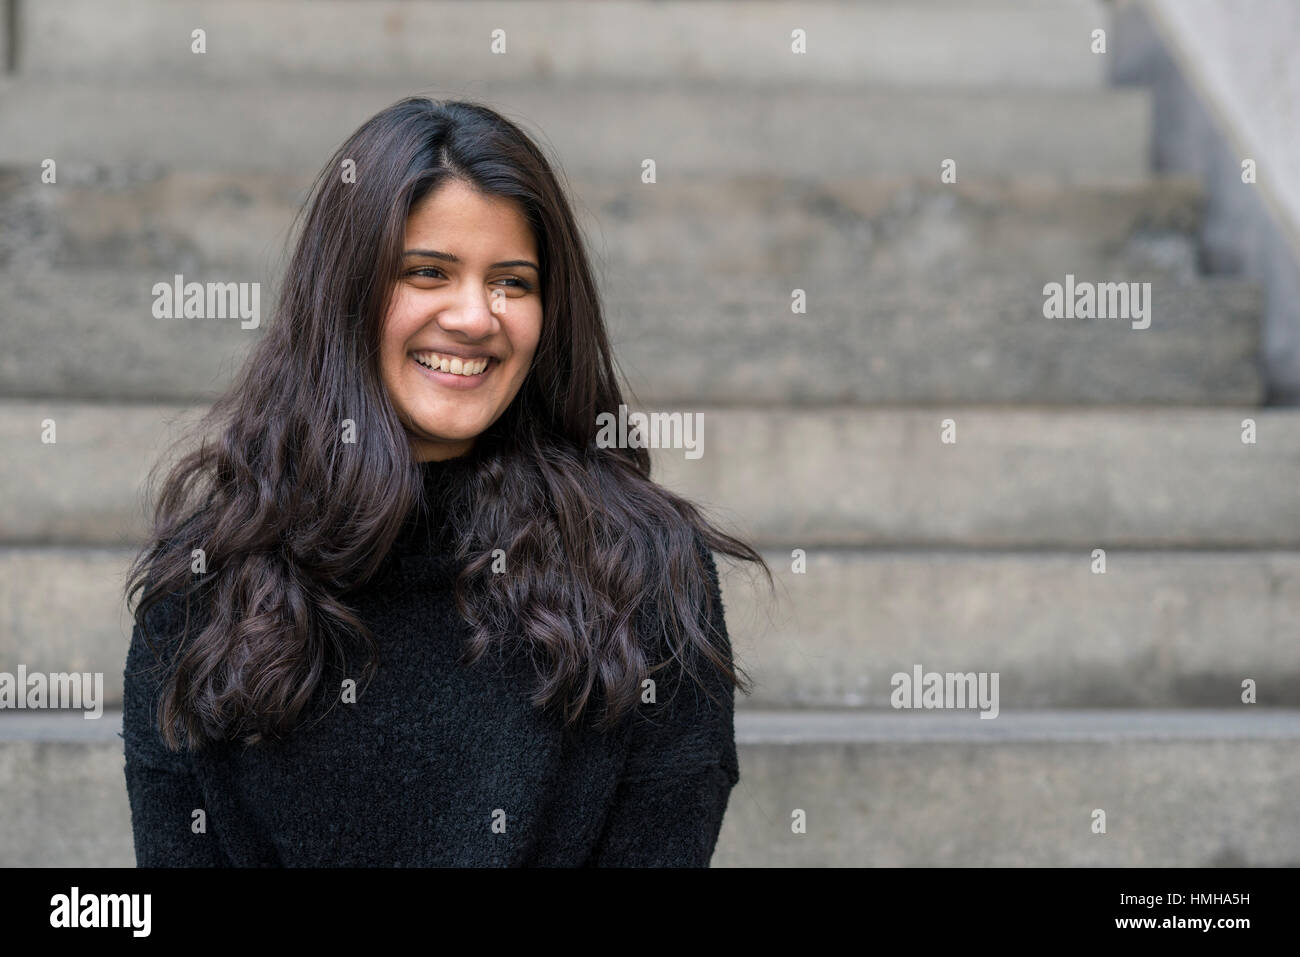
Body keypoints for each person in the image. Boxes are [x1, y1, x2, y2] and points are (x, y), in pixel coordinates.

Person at [122, 97, 771, 867]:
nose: (475, 316)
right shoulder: (204, 589)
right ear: (344, 295)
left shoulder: (644, 574)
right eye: (427, 272)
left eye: (512, 281)